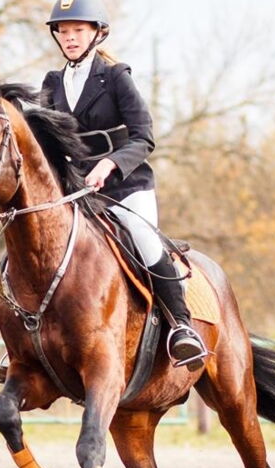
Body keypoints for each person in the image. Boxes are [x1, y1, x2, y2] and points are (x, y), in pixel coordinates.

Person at [41, 0, 207, 369]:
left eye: (77, 31)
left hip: (124, 186)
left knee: (145, 241)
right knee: (31, 246)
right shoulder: (53, 82)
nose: (69, 38)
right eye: (64, 32)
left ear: (97, 33)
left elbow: (143, 136)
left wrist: (109, 163)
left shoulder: (115, 76)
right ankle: (24, 340)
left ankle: (182, 327)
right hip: (76, 189)